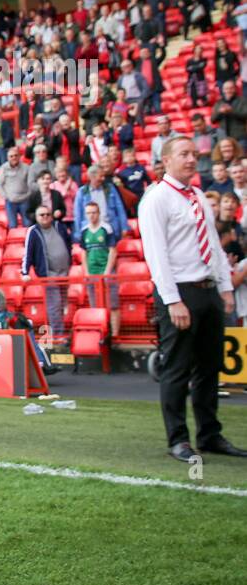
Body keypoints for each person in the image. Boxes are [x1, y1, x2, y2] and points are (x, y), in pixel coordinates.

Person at [138, 136, 247, 463]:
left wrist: (225, 287)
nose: (191, 159)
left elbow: (213, 245)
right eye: (184, 154)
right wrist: (172, 300)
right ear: (167, 160)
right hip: (180, 291)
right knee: (176, 368)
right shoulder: (156, 199)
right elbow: (156, 255)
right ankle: (178, 439)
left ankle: (210, 435)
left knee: (210, 368)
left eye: (193, 154)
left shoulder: (198, 196)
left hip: (207, 290)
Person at [21, 204, 72, 344]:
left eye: (47, 214)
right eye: (41, 215)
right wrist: (25, 272)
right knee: (54, 304)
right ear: (36, 218)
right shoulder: (33, 231)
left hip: (64, 273)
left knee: (62, 303)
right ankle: (58, 335)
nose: (45, 217)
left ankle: (60, 331)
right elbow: (28, 253)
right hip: (49, 275)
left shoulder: (59, 226)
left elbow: (68, 243)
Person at [79, 200, 121, 338]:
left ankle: (114, 334)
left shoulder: (106, 228)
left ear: (99, 213)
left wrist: (107, 271)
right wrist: (86, 271)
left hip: (107, 273)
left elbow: (113, 251)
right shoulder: (84, 231)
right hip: (92, 274)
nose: (91, 215)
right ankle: (99, 333)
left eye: (94, 212)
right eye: (88, 213)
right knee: (94, 305)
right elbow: (84, 253)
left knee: (113, 304)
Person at [0, 149, 33, 228]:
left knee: (28, 224)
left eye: (16, 155)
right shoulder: (3, 168)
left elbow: (31, 183)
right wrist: (6, 197)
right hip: (10, 202)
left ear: (19, 156)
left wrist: (28, 195)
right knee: (13, 226)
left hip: (25, 201)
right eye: (11, 156)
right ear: (8, 158)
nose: (14, 158)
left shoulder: (26, 167)